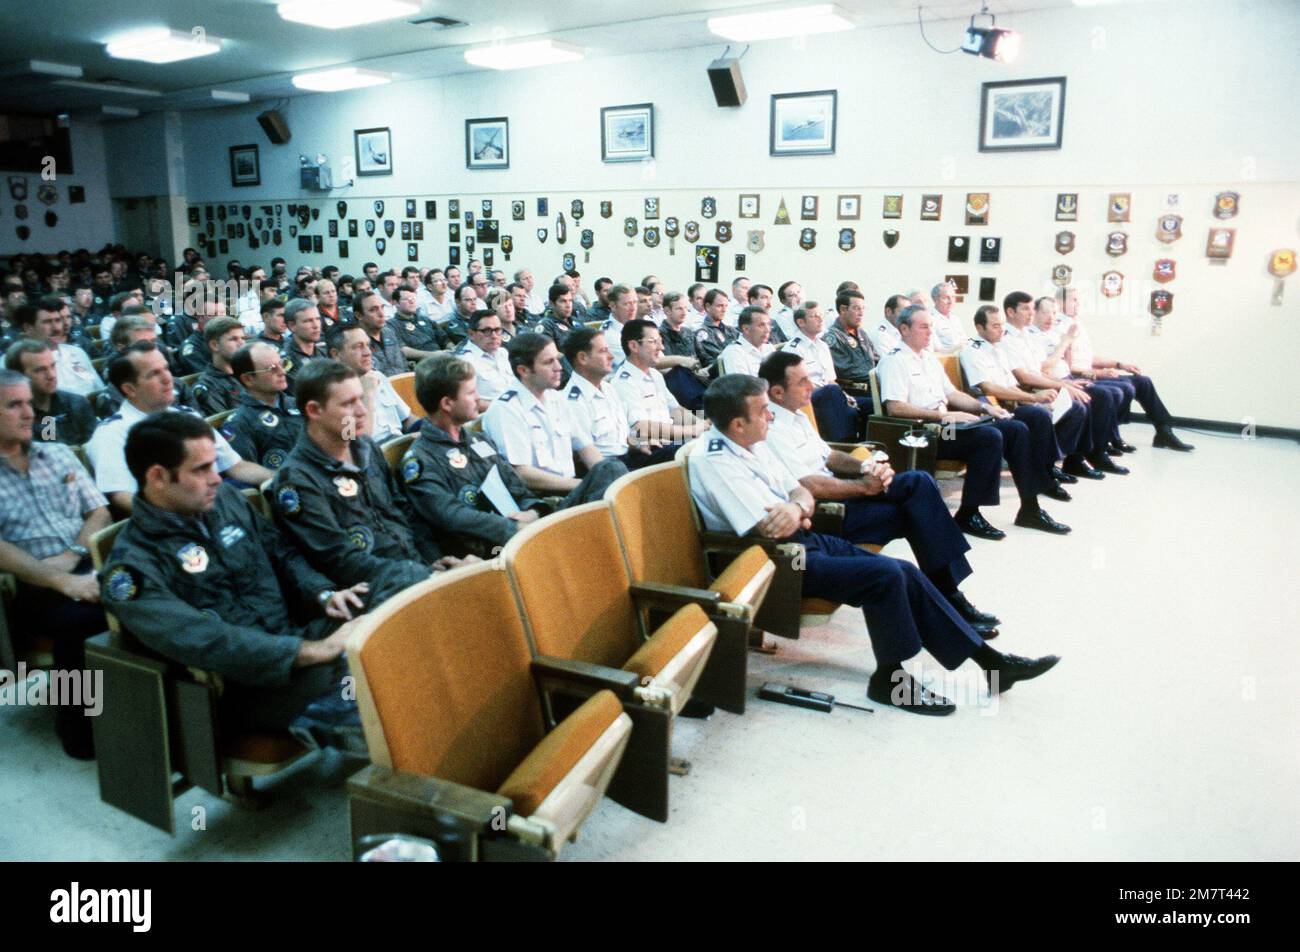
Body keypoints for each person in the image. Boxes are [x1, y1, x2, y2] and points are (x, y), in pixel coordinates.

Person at [688, 374, 1060, 714]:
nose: (771, 416)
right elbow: (771, 531)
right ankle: (890, 681)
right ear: (738, 423)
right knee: (884, 575)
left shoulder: (751, 441)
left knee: (905, 571)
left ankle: (991, 662)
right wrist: (798, 510)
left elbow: (798, 490)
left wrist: (798, 507)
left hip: (803, 540)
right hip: (773, 562)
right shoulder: (714, 461)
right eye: (764, 411)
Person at [99, 412, 368, 752]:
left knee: (385, 618)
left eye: (214, 465)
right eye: (201, 470)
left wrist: (325, 593)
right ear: (158, 477)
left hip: (292, 637)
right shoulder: (130, 570)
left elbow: (281, 553)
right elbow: (206, 640)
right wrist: (312, 651)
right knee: (369, 684)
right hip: (246, 685)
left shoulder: (224, 500)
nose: (217, 479)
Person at [759, 352, 999, 634]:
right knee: (918, 496)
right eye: (802, 381)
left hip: (841, 492)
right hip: (824, 512)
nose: (812, 385)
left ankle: (948, 597)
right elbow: (808, 485)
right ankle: (950, 597)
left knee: (917, 496)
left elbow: (829, 455)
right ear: (777, 392)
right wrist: (862, 486)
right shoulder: (772, 429)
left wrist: (865, 465)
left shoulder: (796, 415)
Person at [271, 361, 462, 596]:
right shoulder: (297, 479)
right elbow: (340, 559)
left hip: (416, 568)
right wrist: (424, 576)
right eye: (349, 404)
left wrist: (434, 559)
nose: (362, 410)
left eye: (361, 398)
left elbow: (405, 511)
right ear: (314, 410)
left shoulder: (363, 445)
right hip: (373, 590)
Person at [877, 307, 1069, 538]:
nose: (930, 332)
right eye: (924, 326)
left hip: (947, 426)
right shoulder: (894, 361)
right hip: (925, 433)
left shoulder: (927, 357)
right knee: (988, 438)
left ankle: (1030, 508)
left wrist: (984, 407)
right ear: (904, 329)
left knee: (1015, 429)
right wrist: (945, 416)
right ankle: (968, 514)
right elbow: (894, 407)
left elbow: (952, 394)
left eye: (931, 326)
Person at [0, 369, 108, 758]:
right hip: (29, 581)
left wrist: (76, 556)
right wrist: (58, 579)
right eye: (14, 405)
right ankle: (79, 730)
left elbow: (98, 511)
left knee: (143, 596)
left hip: (83, 558)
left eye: (29, 402)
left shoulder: (57, 452)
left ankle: (150, 708)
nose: (29, 413)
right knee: (82, 622)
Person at [86, 342, 272, 513]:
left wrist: (279, 479)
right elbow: (123, 496)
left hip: (218, 506)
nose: (168, 379)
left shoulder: (187, 416)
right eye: (153, 374)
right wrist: (179, 517)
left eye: (166, 368)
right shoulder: (111, 433)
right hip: (172, 525)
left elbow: (236, 467)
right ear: (130, 389)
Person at [401, 354, 546, 555]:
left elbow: (516, 487)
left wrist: (533, 511)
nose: (478, 398)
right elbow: (452, 516)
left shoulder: (478, 440)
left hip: (524, 532)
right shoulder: (421, 460)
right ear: (447, 404)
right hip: (487, 551)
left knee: (603, 472)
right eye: (471, 393)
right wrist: (514, 528)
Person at [482, 332, 627, 504]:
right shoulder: (506, 409)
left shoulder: (557, 399)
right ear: (524, 370)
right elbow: (522, 473)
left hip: (577, 486)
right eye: (548, 362)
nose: (559, 367)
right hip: (543, 498)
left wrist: (604, 478)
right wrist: (584, 484)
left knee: (615, 472)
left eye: (557, 359)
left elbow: (586, 448)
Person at [960, 304, 1084, 500]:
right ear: (979, 328)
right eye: (995, 326)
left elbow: (1011, 385)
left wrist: (1034, 400)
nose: (1001, 330)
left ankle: (1047, 470)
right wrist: (1032, 398)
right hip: (993, 408)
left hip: (1010, 402)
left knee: (1057, 409)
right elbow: (988, 388)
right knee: (1037, 416)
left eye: (1001, 325)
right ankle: (1046, 474)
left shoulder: (997, 349)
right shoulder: (972, 351)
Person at [1002, 291, 1124, 478]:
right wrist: (1064, 386)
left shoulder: (1024, 335)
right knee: (1078, 406)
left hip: (1044, 384)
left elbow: (1038, 371)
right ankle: (1049, 464)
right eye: (1026, 309)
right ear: (1010, 312)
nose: (1031, 313)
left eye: (1032, 308)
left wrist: (1066, 384)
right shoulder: (1007, 338)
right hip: (1023, 393)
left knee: (1084, 402)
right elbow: (1024, 377)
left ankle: (1066, 460)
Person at [1058, 286, 1193, 452]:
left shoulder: (1078, 324)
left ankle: (1164, 431)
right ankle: (1110, 436)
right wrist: (1100, 373)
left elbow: (1089, 357)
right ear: (1059, 302)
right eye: (1074, 300)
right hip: (1081, 376)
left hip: (1092, 372)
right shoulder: (1059, 328)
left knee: (1142, 382)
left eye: (1079, 300)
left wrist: (1119, 364)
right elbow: (1068, 367)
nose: (1079, 304)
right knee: (1124, 389)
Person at [563, 327, 681, 471]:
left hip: (629, 456)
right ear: (582, 358)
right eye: (603, 351)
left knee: (683, 450)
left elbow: (620, 438)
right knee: (678, 450)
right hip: (606, 468)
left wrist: (638, 444)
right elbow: (585, 457)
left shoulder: (608, 388)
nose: (611, 356)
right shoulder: (573, 401)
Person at [610, 319, 710, 448]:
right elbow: (642, 428)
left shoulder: (655, 374)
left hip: (673, 442)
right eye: (653, 342)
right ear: (634, 346)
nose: (661, 347)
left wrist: (704, 425)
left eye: (660, 342)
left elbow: (675, 411)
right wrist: (692, 431)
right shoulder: (623, 383)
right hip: (652, 448)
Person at [222, 341, 302, 470]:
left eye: (282, 364)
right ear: (248, 379)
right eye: (272, 368)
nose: (282, 372)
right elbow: (246, 474)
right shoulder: (240, 423)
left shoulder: (298, 404)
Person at [329, 325, 416, 442]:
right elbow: (351, 441)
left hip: (401, 445)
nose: (368, 352)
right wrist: (367, 395)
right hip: (373, 455)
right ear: (336, 355)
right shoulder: (333, 394)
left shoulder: (378, 376)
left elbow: (406, 419)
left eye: (368, 345)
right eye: (358, 347)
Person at [5, 339, 97, 446]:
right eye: (40, 370)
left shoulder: (77, 404)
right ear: (17, 375)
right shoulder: (9, 419)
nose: (52, 375)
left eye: (53, 366)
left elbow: (93, 451)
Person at [17, 300, 104, 397]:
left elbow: (100, 390)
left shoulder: (77, 352)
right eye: (47, 322)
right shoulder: (16, 362)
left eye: (58, 320)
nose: (56, 328)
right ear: (28, 328)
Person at [657, 290, 709, 411]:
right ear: (667, 311)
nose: (684, 312)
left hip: (698, 379)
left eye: (686, 308)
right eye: (679, 308)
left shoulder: (689, 333)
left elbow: (703, 358)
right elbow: (667, 366)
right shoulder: (660, 334)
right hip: (679, 384)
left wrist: (707, 368)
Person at [453, 309, 513, 410]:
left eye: (498, 330)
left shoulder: (502, 352)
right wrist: (506, 407)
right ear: (471, 334)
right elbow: (464, 400)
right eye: (487, 331)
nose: (494, 336)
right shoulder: (464, 361)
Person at [191, 317, 246, 417]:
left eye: (243, 338)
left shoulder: (250, 371)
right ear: (214, 345)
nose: (242, 344)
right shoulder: (207, 387)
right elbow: (226, 427)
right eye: (234, 339)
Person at [353, 290, 408, 377]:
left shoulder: (389, 332)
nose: (381, 314)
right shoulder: (355, 342)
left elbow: (404, 363)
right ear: (359, 315)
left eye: (382, 307)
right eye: (373, 310)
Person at [281, 298, 330, 390]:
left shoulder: (324, 351)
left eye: (318, 319)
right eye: (308, 321)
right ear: (292, 326)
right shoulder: (286, 360)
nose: (316, 325)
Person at [392, 286, 448, 363]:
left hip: (442, 357)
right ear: (396, 303)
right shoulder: (392, 325)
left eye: (413, 298)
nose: (411, 301)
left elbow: (444, 339)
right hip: (421, 363)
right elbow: (402, 350)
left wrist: (453, 350)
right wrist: (431, 355)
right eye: (407, 299)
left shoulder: (425, 319)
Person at [716, 306, 774, 376]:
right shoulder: (734, 352)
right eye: (761, 325)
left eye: (769, 324)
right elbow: (742, 385)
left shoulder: (769, 347)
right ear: (746, 329)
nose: (767, 330)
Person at [694, 288, 739, 373]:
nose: (724, 309)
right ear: (707, 306)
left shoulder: (731, 330)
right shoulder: (702, 332)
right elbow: (717, 359)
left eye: (726, 306)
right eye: (720, 306)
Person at [600, 284, 637, 365]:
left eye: (635, 302)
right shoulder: (607, 334)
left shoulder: (638, 327)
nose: (633, 308)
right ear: (613, 306)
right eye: (627, 304)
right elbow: (639, 362)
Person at [866, 294, 906, 363]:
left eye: (908, 313)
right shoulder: (879, 335)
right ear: (888, 312)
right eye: (902, 312)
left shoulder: (902, 331)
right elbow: (890, 363)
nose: (907, 317)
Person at [928, 282, 964, 355]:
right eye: (946, 298)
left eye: (953, 297)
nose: (951, 301)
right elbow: (936, 350)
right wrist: (959, 347)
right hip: (945, 362)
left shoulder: (955, 318)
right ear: (935, 300)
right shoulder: (930, 319)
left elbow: (964, 339)